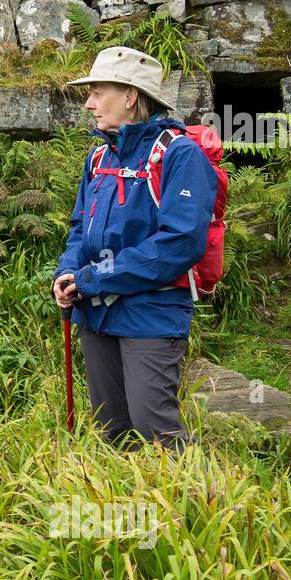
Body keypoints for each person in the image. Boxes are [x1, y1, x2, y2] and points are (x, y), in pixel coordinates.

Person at [51, 46, 217, 449]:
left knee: (154, 429)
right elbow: (79, 228)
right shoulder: (98, 158)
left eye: (97, 92)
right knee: (112, 429)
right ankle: (131, 509)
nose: (89, 103)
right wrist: (67, 272)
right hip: (96, 314)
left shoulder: (179, 155)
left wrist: (93, 278)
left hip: (152, 314)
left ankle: (202, 501)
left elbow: (180, 243)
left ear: (129, 96)